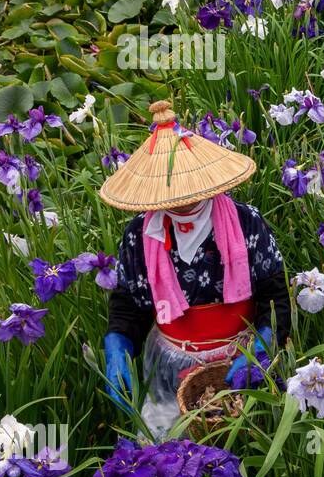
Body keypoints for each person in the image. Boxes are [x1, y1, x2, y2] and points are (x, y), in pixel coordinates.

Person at [99, 100, 289, 437]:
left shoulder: (245, 223)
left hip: (238, 353)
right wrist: (117, 347)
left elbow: (276, 297)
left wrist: (262, 347)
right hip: (169, 361)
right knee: (165, 447)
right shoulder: (140, 235)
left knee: (245, 440)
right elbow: (129, 305)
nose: (180, 199)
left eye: (187, 187)